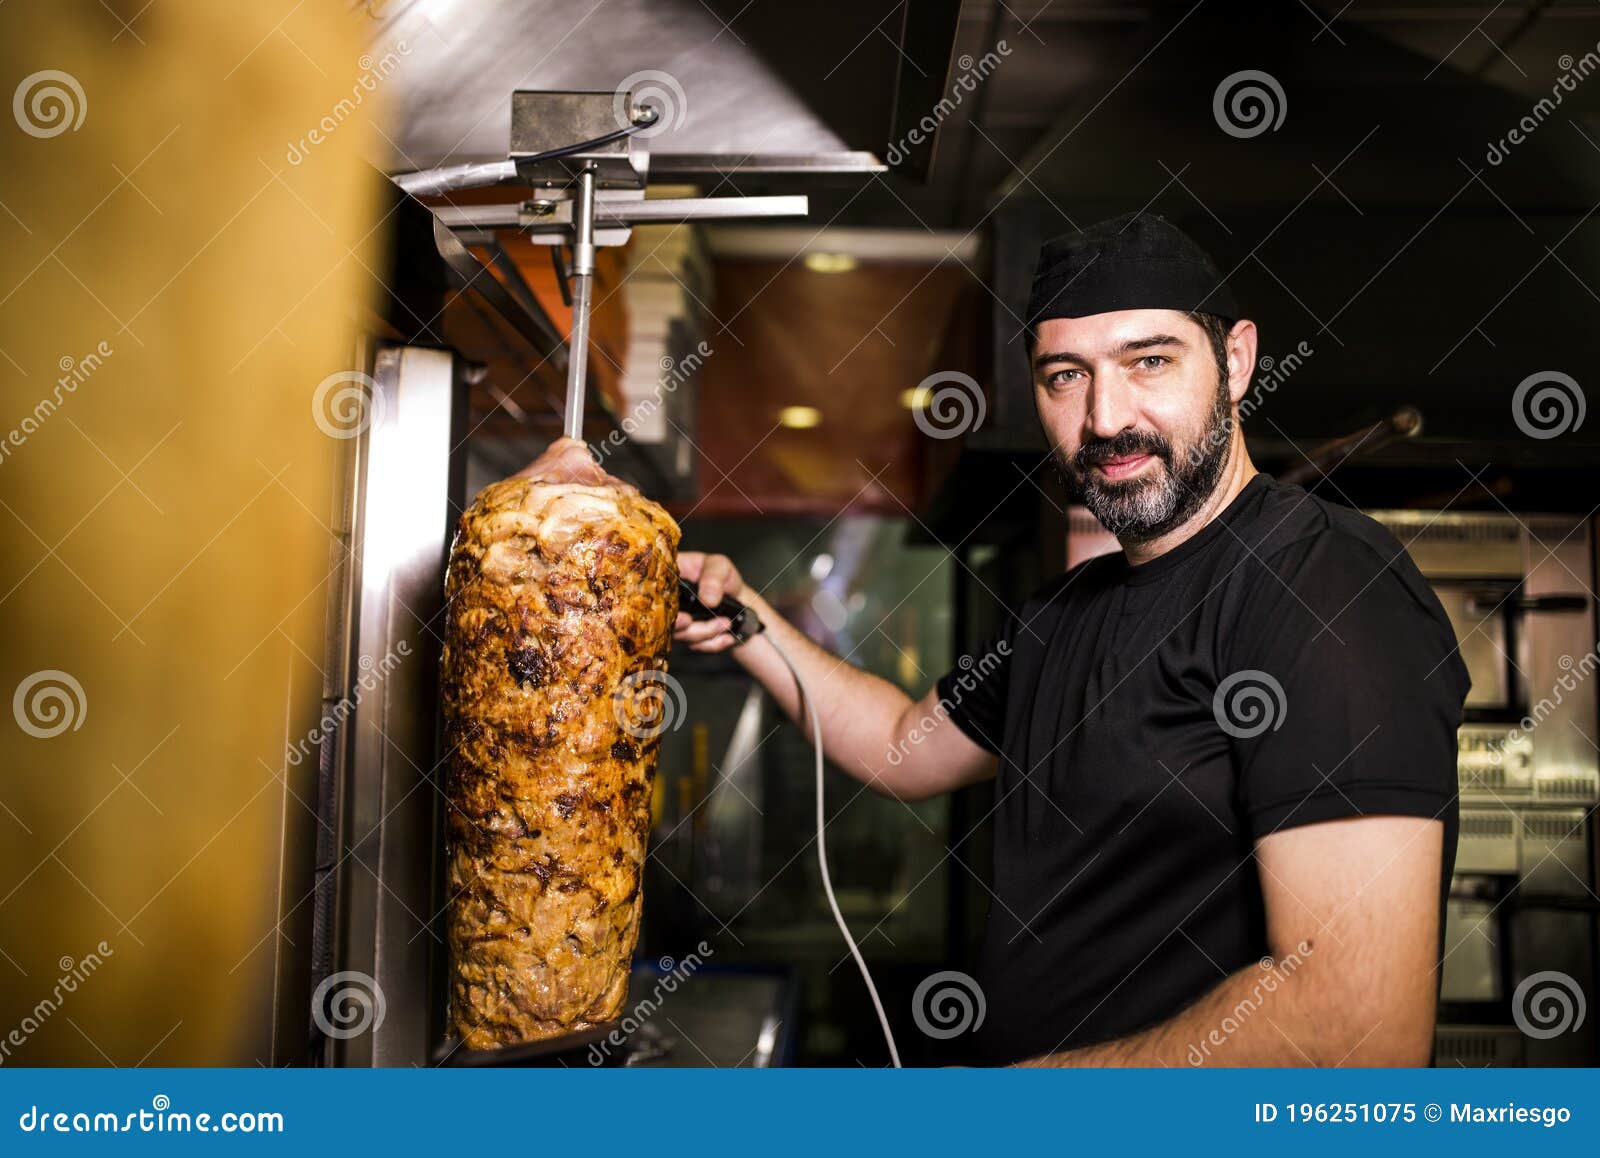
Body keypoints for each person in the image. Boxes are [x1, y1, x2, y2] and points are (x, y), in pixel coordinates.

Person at [551, 212, 1468, 1066]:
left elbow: (1358, 1029)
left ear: (1237, 358)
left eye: (1149, 361)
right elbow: (905, 745)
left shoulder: (1324, 587)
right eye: (1066, 375)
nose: (1105, 418)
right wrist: (748, 620)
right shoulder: (1066, 613)